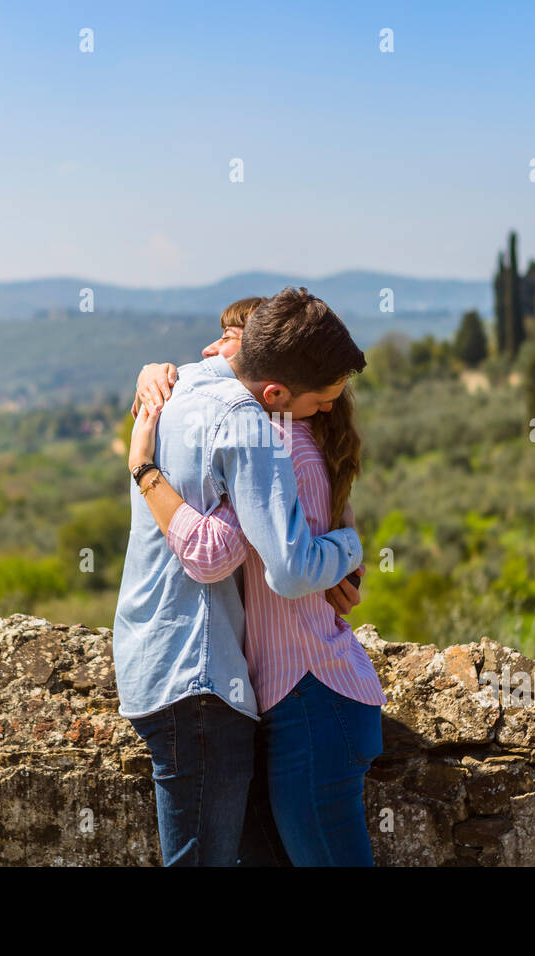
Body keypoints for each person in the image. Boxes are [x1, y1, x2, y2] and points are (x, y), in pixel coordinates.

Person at [128, 291, 387, 865]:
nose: (210, 348)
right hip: (302, 697)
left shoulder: (274, 437)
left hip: (312, 697)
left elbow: (219, 553)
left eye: (227, 337)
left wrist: (144, 470)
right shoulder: (252, 421)